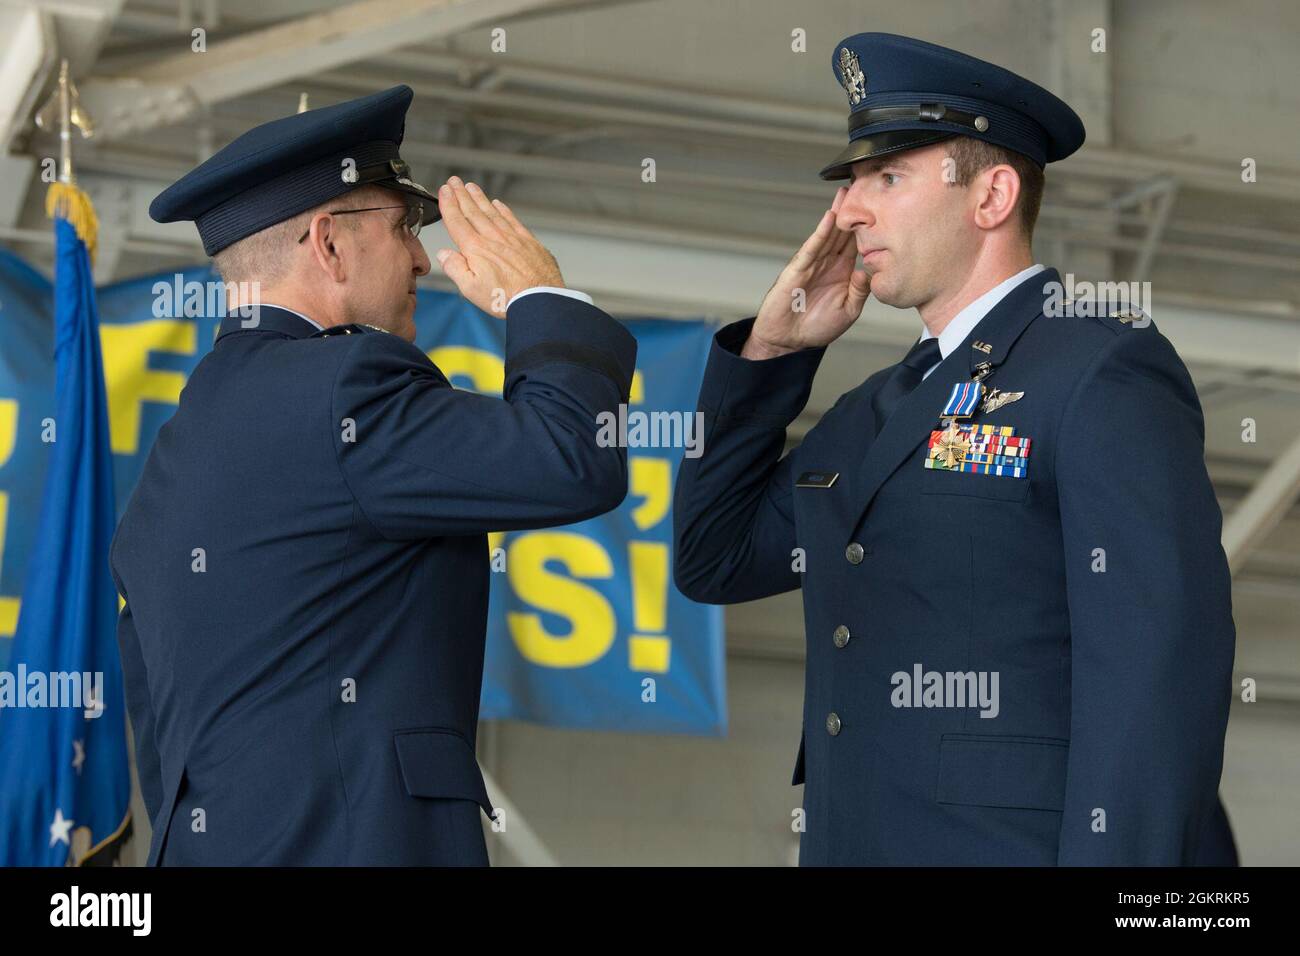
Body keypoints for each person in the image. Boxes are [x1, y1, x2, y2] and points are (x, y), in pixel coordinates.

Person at [672, 33, 1237, 865]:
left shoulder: (1097, 368)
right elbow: (712, 560)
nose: (849, 211)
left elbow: (1157, 674)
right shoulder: (873, 409)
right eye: (852, 183)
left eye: (887, 177)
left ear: (992, 195)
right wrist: (770, 356)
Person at [111, 84, 636, 865]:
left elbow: (163, 750)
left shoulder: (169, 465)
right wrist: (541, 296)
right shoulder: (345, 385)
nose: (423, 257)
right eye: (404, 226)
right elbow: (573, 456)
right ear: (328, 243)